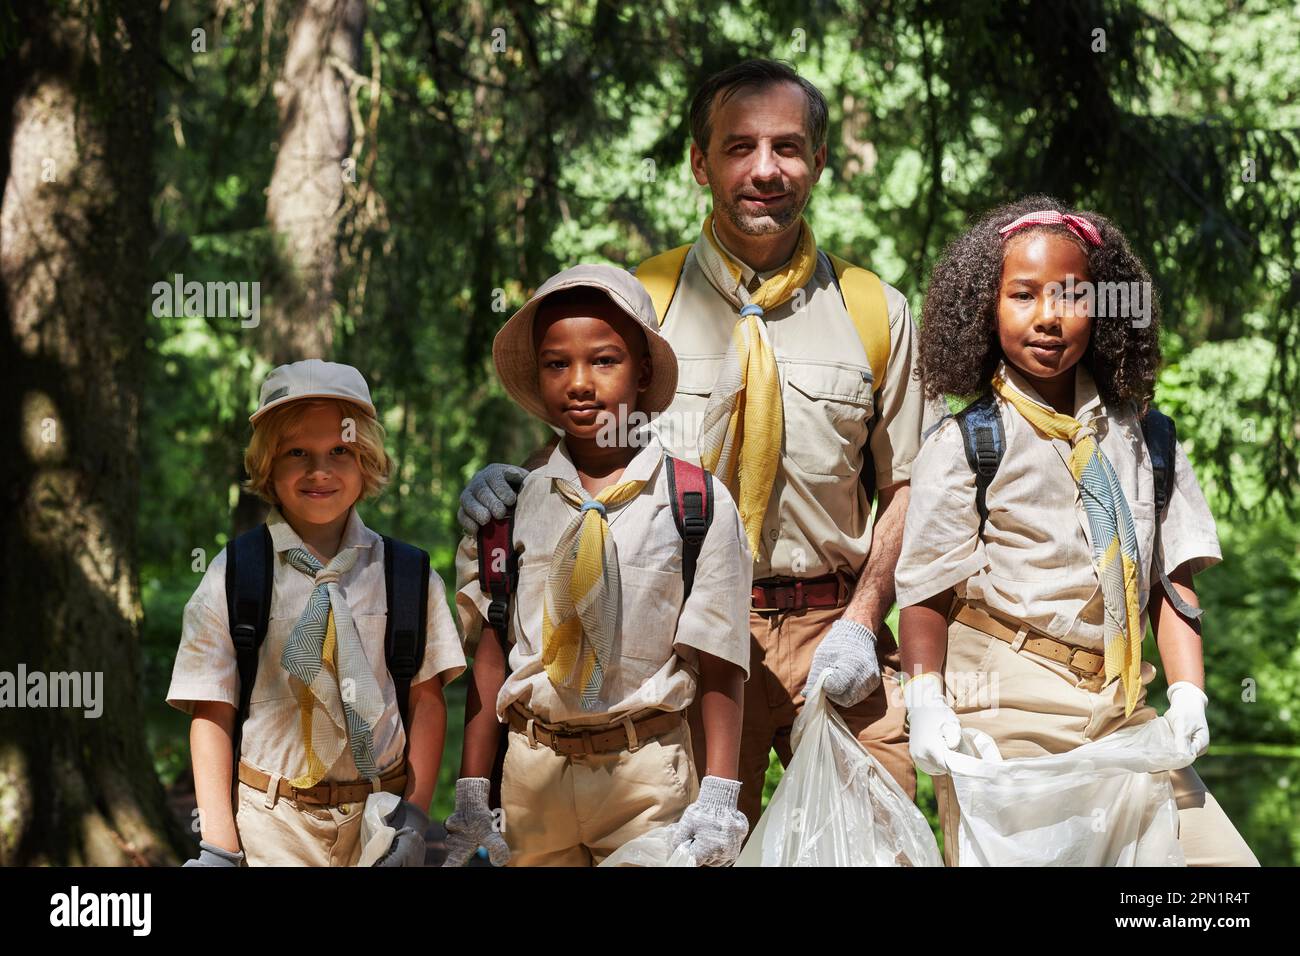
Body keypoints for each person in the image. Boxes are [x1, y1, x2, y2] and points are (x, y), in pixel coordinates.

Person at [457, 60, 933, 828]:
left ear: (817, 160)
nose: (766, 169)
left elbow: (908, 482)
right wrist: (511, 485)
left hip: (835, 630)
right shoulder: (640, 298)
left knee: (880, 840)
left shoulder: (874, 308)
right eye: (739, 147)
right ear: (699, 163)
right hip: (678, 642)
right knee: (693, 843)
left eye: (788, 147)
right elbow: (589, 452)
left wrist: (865, 615)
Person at [896, 196, 1258, 866]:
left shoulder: (1147, 438)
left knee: (1223, 871)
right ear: (988, 309)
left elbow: (1169, 585)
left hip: (1120, 710)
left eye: (1072, 295)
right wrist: (926, 702)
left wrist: (1188, 697)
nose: (1048, 317)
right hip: (1007, 713)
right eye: (1023, 295)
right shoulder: (968, 442)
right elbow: (925, 595)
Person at [443, 264, 752, 866]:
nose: (580, 382)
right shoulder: (511, 507)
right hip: (532, 776)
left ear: (643, 370)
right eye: (557, 364)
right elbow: (490, 648)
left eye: (605, 360)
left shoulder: (696, 503)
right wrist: (472, 792)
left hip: (647, 775)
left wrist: (720, 794)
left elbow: (719, 659)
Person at [167, 359, 465, 866]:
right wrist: (219, 845)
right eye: (297, 452)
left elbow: (426, 700)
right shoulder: (235, 573)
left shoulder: (407, 574)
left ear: (367, 458)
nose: (319, 470)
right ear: (267, 464)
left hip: (379, 816)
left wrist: (413, 820)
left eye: (340, 451)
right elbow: (211, 708)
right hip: (270, 822)